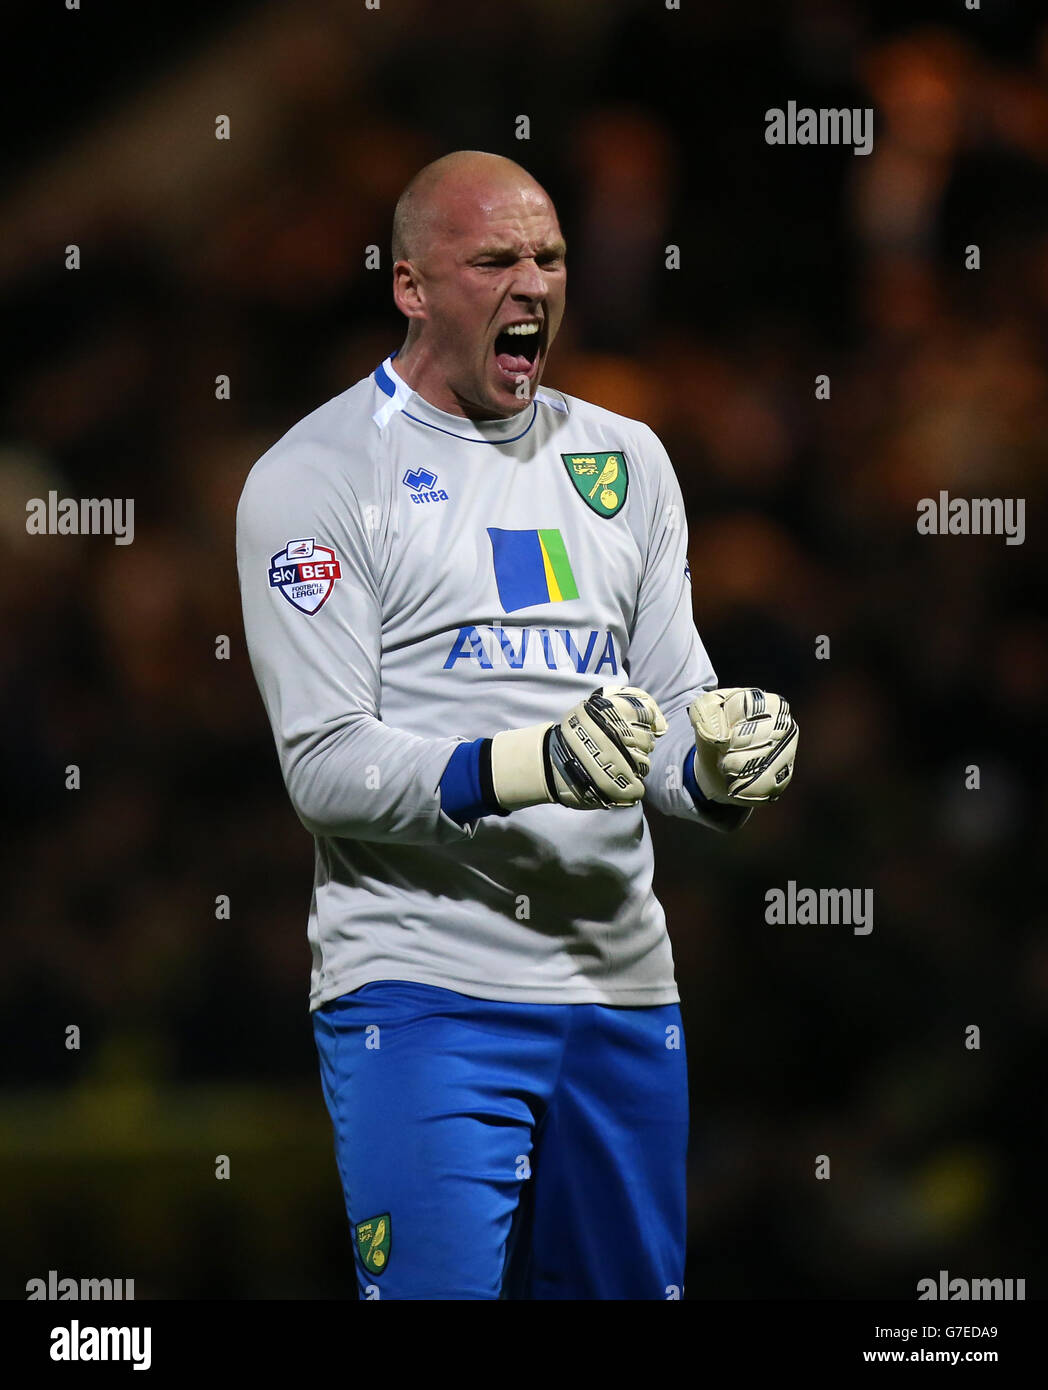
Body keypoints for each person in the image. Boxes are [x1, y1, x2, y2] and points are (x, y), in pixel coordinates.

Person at [235, 150, 798, 1300]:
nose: (532, 283)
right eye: (496, 258)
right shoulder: (315, 476)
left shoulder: (626, 461)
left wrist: (727, 758)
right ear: (411, 287)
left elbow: (670, 713)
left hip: (621, 988)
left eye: (547, 257)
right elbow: (326, 766)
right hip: (423, 991)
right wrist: (531, 763)